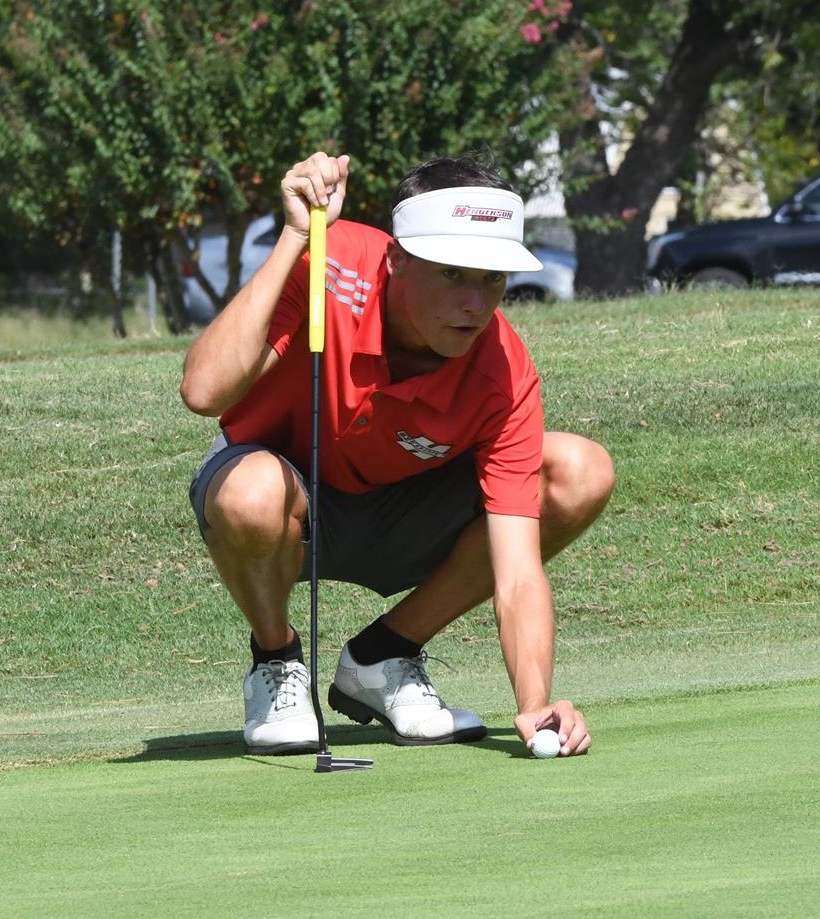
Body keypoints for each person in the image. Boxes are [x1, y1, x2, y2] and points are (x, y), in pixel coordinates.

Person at [179, 150, 614, 758]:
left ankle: (381, 659)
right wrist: (294, 240)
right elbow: (204, 391)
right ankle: (276, 662)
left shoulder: (504, 371)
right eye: (454, 273)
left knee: (579, 469)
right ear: (398, 258)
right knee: (252, 492)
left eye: (493, 278)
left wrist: (534, 702)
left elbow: (517, 571)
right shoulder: (330, 262)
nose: (476, 303)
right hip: (286, 502)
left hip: (403, 514)